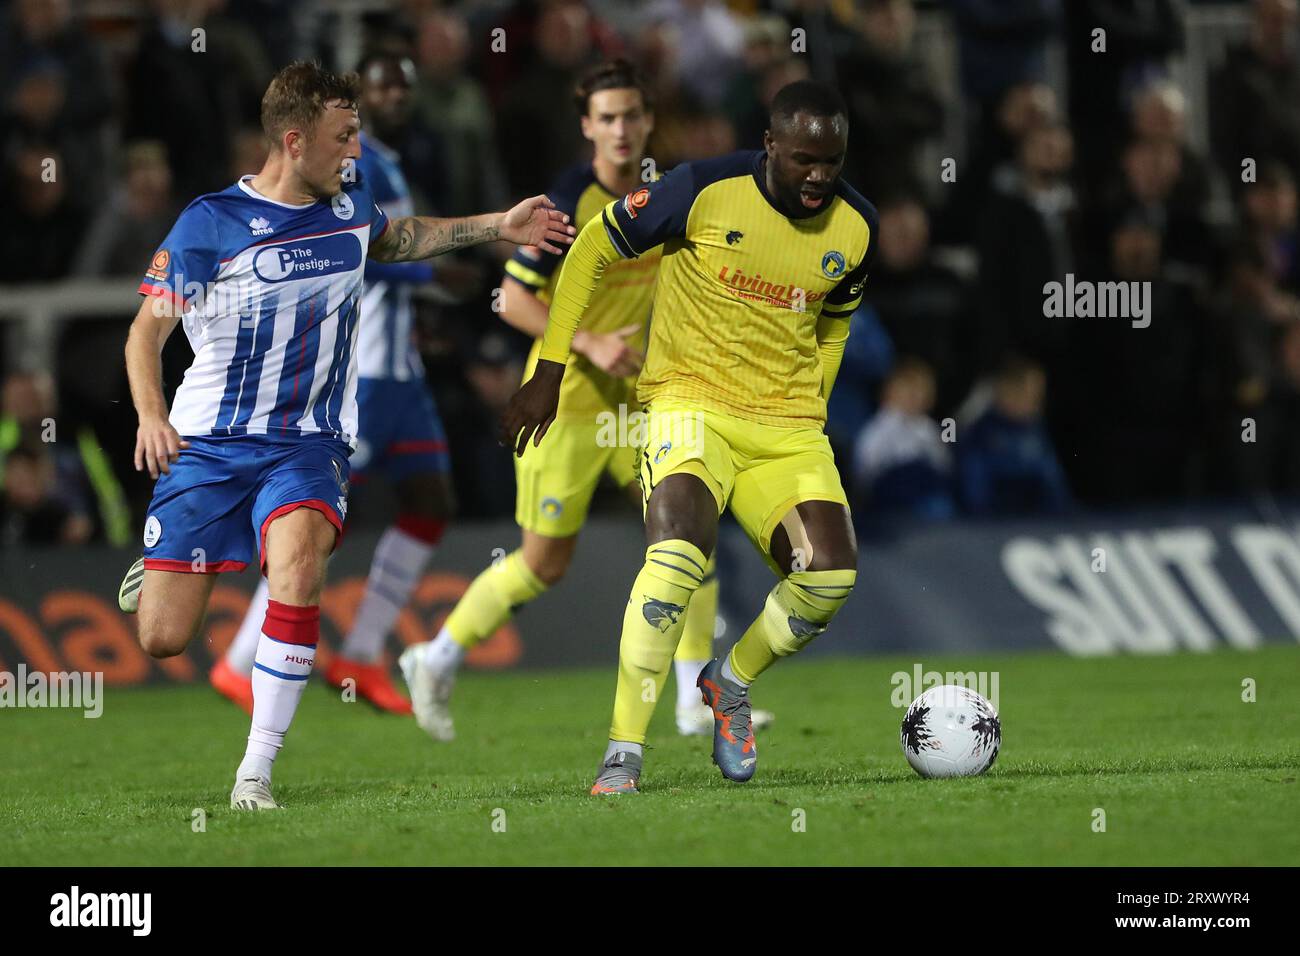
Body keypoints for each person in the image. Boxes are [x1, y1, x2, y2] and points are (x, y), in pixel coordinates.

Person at [116, 60, 573, 811]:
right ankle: (159, 570)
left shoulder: (349, 206)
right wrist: (151, 415)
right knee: (162, 638)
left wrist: (499, 225)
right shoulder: (210, 224)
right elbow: (144, 334)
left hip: (310, 444)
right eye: (344, 137)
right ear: (294, 141)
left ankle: (255, 773)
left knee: (298, 566)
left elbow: (402, 240)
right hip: (208, 444)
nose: (355, 152)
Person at [502, 80, 877, 794]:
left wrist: (814, 410)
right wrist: (551, 368)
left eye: (832, 162)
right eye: (804, 159)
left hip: (787, 427)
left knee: (828, 577)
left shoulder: (858, 225)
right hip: (688, 405)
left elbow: (836, 322)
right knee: (676, 560)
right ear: (770, 146)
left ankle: (728, 684)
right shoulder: (701, 189)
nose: (819, 177)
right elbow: (588, 250)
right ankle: (624, 751)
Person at [400, 59, 771, 741]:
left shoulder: (667, 194)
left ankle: (692, 697)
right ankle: (433, 656)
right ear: (586, 127)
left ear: (649, 120)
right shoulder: (567, 203)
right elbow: (509, 299)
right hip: (566, 406)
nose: (621, 129)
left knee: (688, 529)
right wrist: (591, 341)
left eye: (632, 115)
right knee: (543, 564)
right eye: (607, 118)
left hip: (639, 406)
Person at [209, 53, 462, 717]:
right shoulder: (352, 163)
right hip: (362, 372)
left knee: (431, 500)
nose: (395, 96)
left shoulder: (390, 159)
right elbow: (352, 252)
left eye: (403, 84)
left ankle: (360, 652)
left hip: (399, 370)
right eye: (382, 87)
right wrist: (433, 279)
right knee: (317, 518)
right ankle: (240, 661)